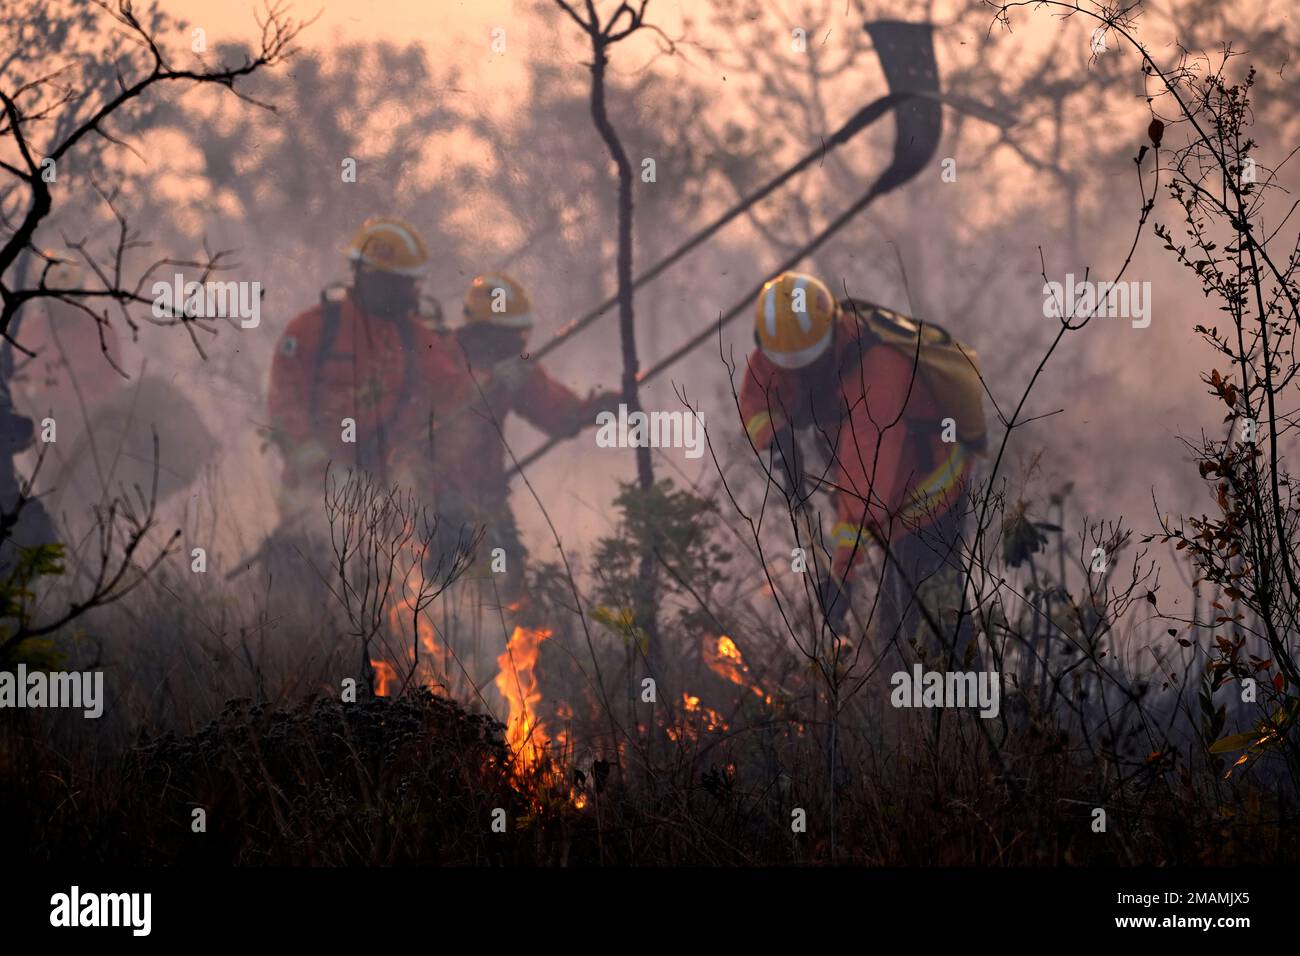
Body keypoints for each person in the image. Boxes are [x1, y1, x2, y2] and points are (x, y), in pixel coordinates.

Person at [738, 271, 984, 664]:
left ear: (833, 333)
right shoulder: (789, 340)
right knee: (897, 619)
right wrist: (774, 437)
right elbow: (756, 394)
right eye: (789, 364)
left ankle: (974, 706)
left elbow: (865, 490)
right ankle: (909, 694)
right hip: (880, 475)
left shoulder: (879, 371)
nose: (799, 373)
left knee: (934, 608)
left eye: (808, 363)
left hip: (932, 478)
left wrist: (841, 577)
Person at [434, 272, 616, 607]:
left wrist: (595, 410)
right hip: (428, 494)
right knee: (437, 584)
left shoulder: (514, 368)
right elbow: (438, 410)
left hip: (486, 493)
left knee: (508, 579)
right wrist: (487, 385)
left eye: (522, 333)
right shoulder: (441, 356)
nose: (519, 343)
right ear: (483, 331)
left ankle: (501, 647)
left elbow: (555, 411)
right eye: (511, 334)